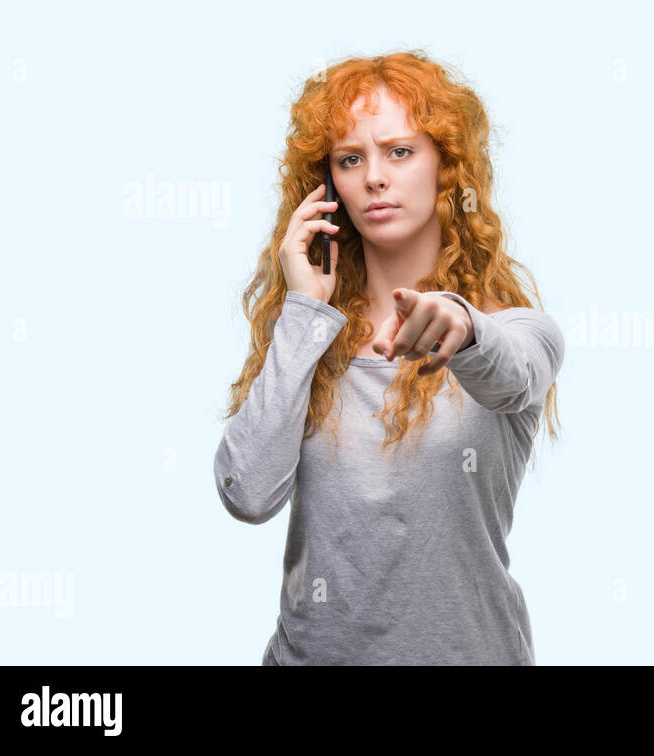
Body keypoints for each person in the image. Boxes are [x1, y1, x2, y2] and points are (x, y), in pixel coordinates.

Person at [213, 50, 564, 665]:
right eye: (351, 159)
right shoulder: (307, 337)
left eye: (400, 151)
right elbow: (247, 494)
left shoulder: (515, 331)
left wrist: (460, 321)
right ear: (327, 190)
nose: (375, 177)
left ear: (445, 167)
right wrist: (302, 310)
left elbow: (512, 374)